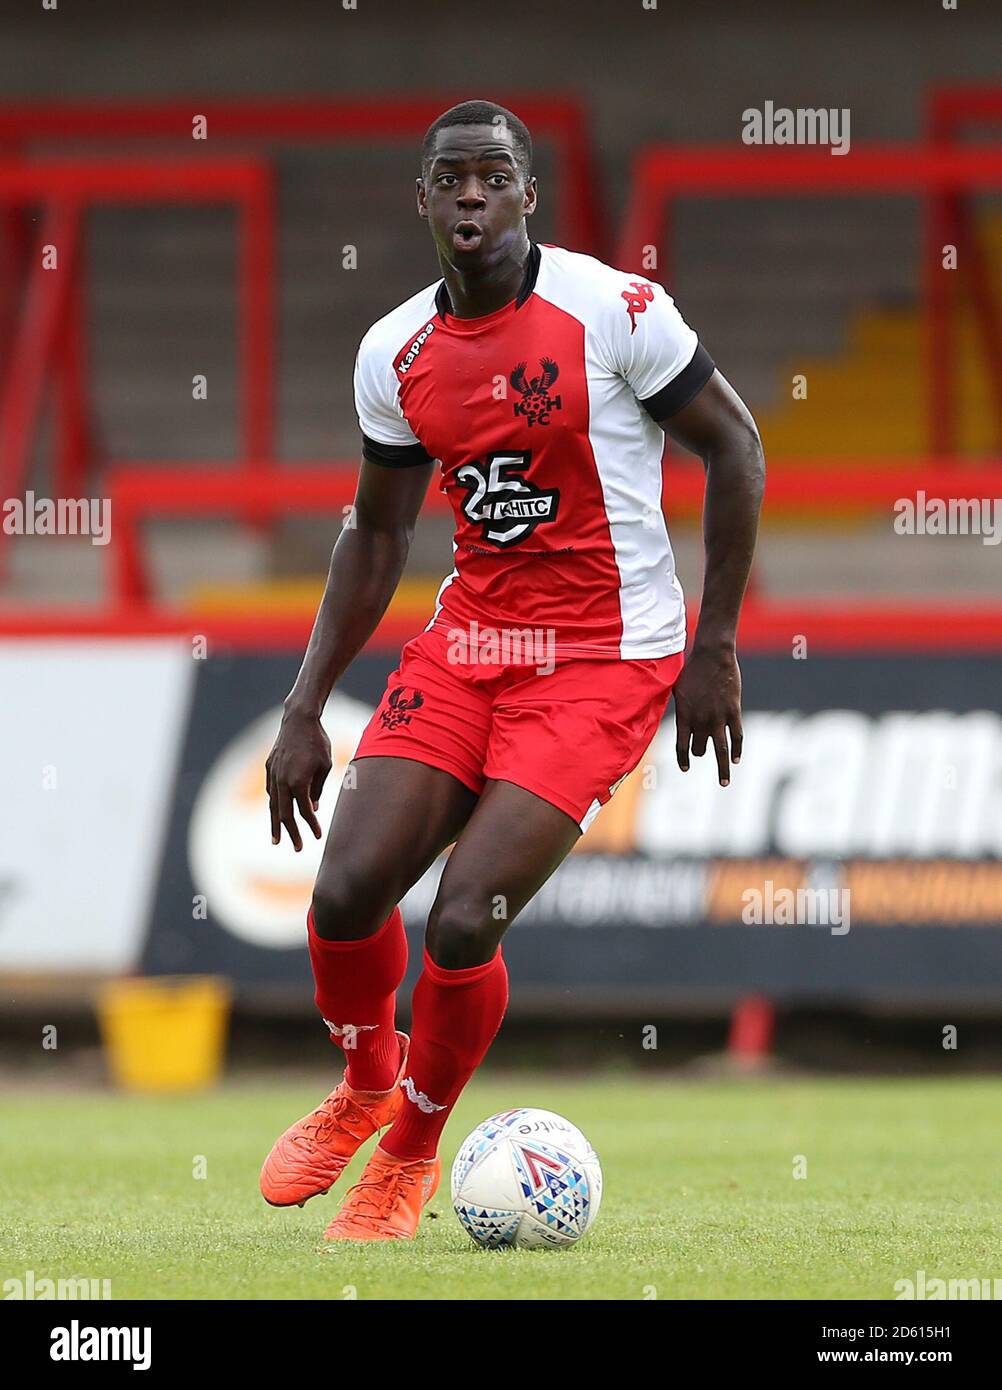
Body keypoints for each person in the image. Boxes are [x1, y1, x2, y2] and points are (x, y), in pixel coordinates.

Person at [259, 100, 764, 1241]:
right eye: (453, 180)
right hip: (474, 640)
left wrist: (716, 642)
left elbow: (737, 445)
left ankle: (410, 1153)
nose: (473, 197)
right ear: (425, 201)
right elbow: (378, 533)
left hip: (603, 656)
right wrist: (302, 706)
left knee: (462, 918)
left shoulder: (616, 311)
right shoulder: (393, 351)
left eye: (495, 177)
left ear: (528, 194)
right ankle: (363, 1084)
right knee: (343, 894)